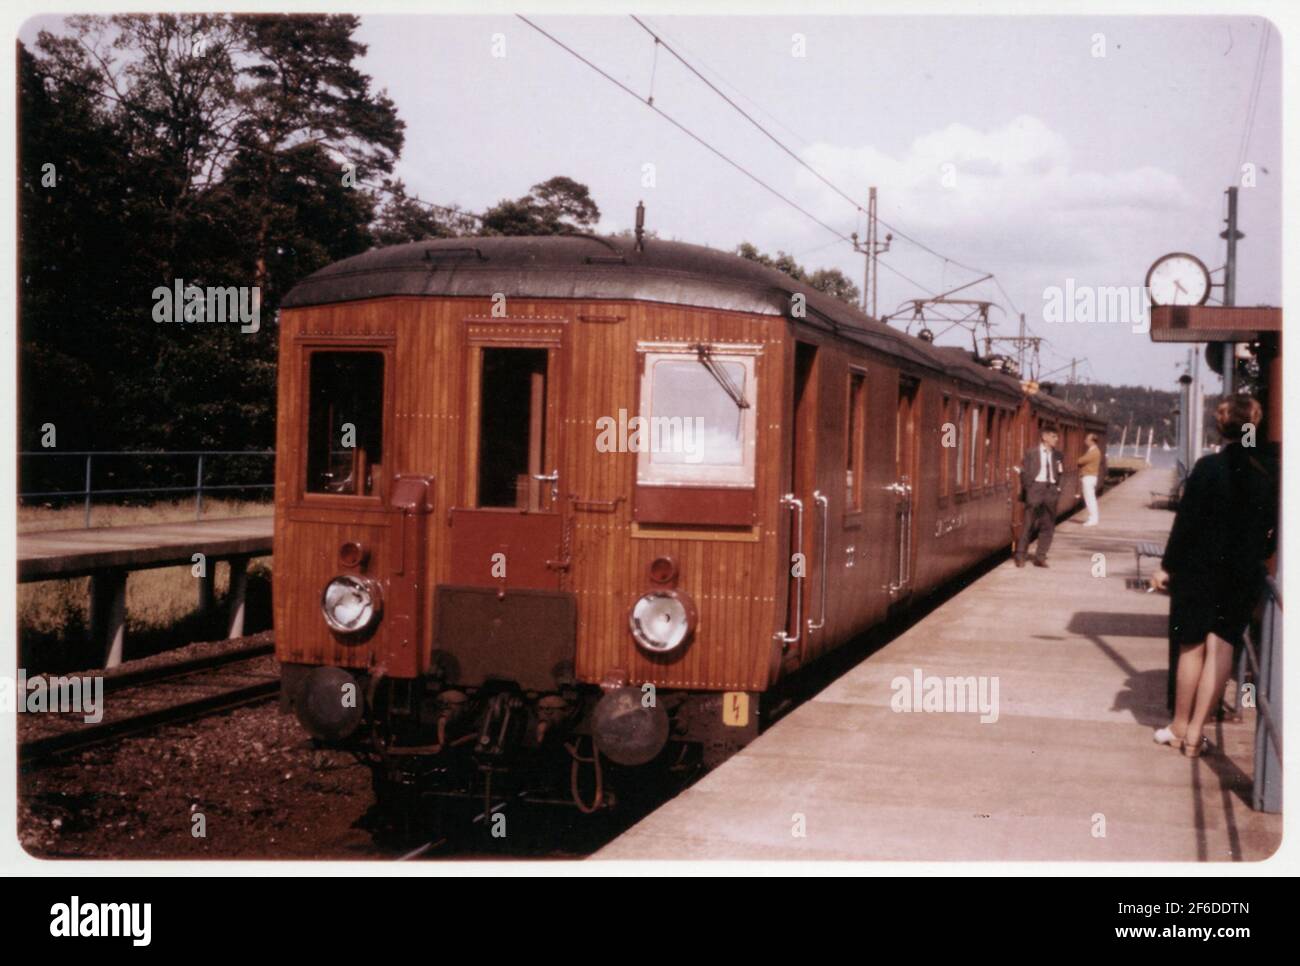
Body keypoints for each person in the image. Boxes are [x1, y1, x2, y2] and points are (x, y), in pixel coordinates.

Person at [1151, 395, 1277, 757]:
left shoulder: (1208, 468)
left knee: (1191, 647)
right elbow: (1275, 526)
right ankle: (1194, 736)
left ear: (1221, 428)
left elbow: (1185, 523)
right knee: (1221, 648)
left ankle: (1177, 725)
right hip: (1241, 573)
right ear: (1254, 423)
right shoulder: (1268, 470)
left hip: (1197, 571)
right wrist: (1262, 554)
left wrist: (1167, 566)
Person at [1014, 425, 1064, 568]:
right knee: (1028, 524)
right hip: (1036, 488)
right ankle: (1020, 555)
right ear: (1044, 437)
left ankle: (1040, 556)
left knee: (1048, 525)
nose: (1057, 439)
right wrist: (1029, 489)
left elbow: (1060, 473)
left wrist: (1057, 488)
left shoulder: (1058, 455)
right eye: (1054, 436)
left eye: (1056, 436)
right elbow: (1024, 473)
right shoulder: (1031, 453)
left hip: (1051, 490)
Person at [1076, 432, 1102, 526]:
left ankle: (1093, 519)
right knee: (1090, 498)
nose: (1085, 441)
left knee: (1089, 499)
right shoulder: (1093, 450)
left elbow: (1080, 461)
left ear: (1092, 441)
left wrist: (1079, 460)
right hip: (1090, 477)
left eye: (1087, 439)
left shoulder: (1094, 452)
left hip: (1089, 477)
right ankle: (1093, 518)